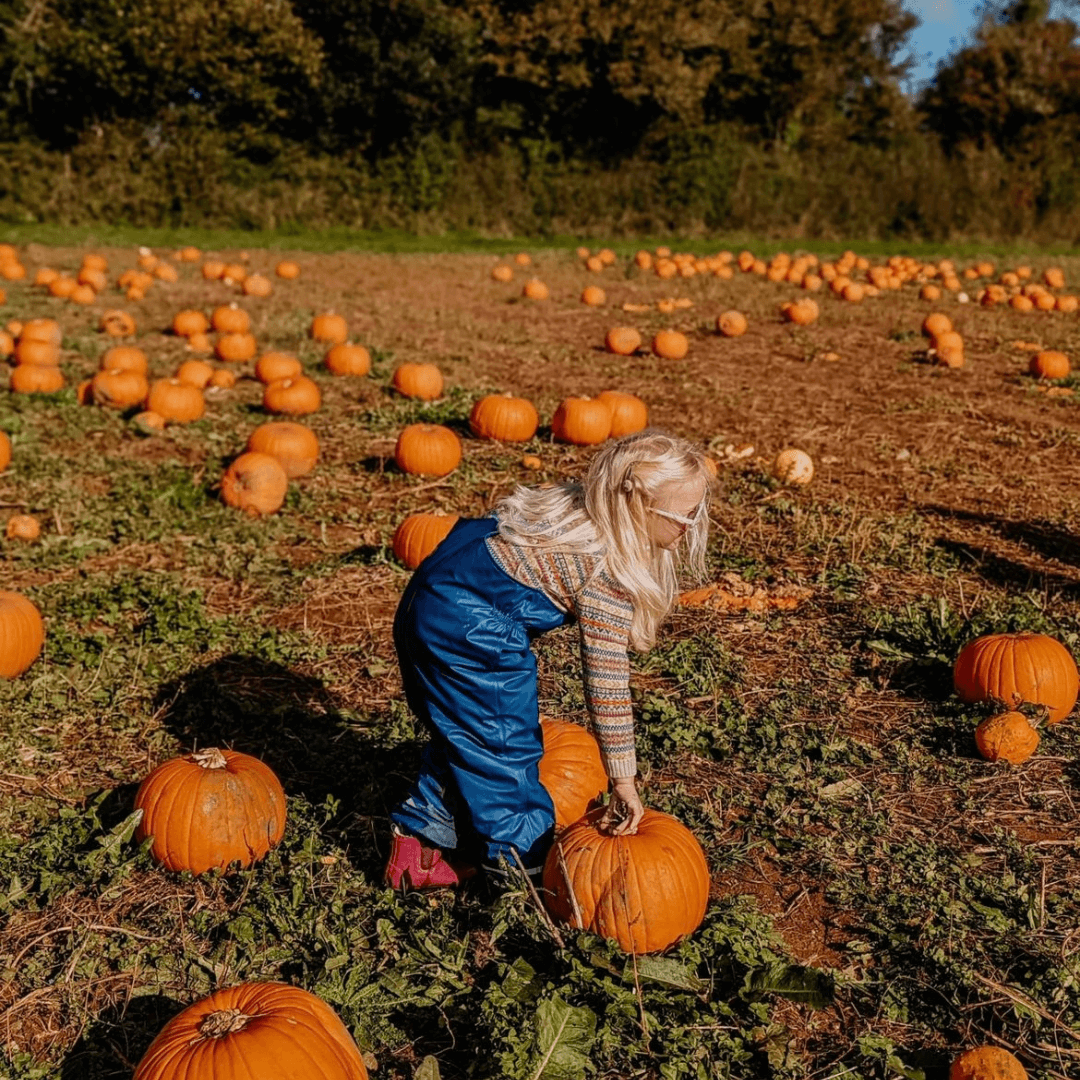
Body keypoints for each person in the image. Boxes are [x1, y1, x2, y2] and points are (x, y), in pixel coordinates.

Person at [384, 428, 714, 889]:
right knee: (502, 745)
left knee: (468, 731)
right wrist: (623, 780)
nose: (693, 524)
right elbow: (607, 686)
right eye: (685, 515)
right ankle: (523, 871)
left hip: (435, 590)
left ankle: (419, 846)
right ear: (636, 507)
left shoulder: (582, 506)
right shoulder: (606, 571)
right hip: (470, 626)